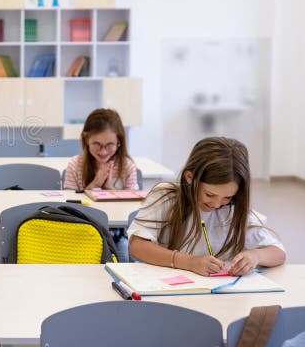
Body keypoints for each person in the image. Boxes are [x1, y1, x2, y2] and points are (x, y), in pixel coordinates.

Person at [128, 137, 286, 276]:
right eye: (210, 195)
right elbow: (137, 246)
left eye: (227, 197)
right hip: (170, 291)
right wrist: (189, 263)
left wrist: (255, 256)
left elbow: (278, 252)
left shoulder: (233, 208)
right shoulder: (166, 197)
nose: (217, 204)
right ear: (190, 177)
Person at [63, 108, 138, 191]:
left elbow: (131, 203)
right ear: (86, 140)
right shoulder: (75, 165)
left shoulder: (127, 167)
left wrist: (110, 188)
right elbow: (70, 202)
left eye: (109, 145)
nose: (103, 152)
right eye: (96, 144)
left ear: (118, 142)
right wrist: (94, 184)